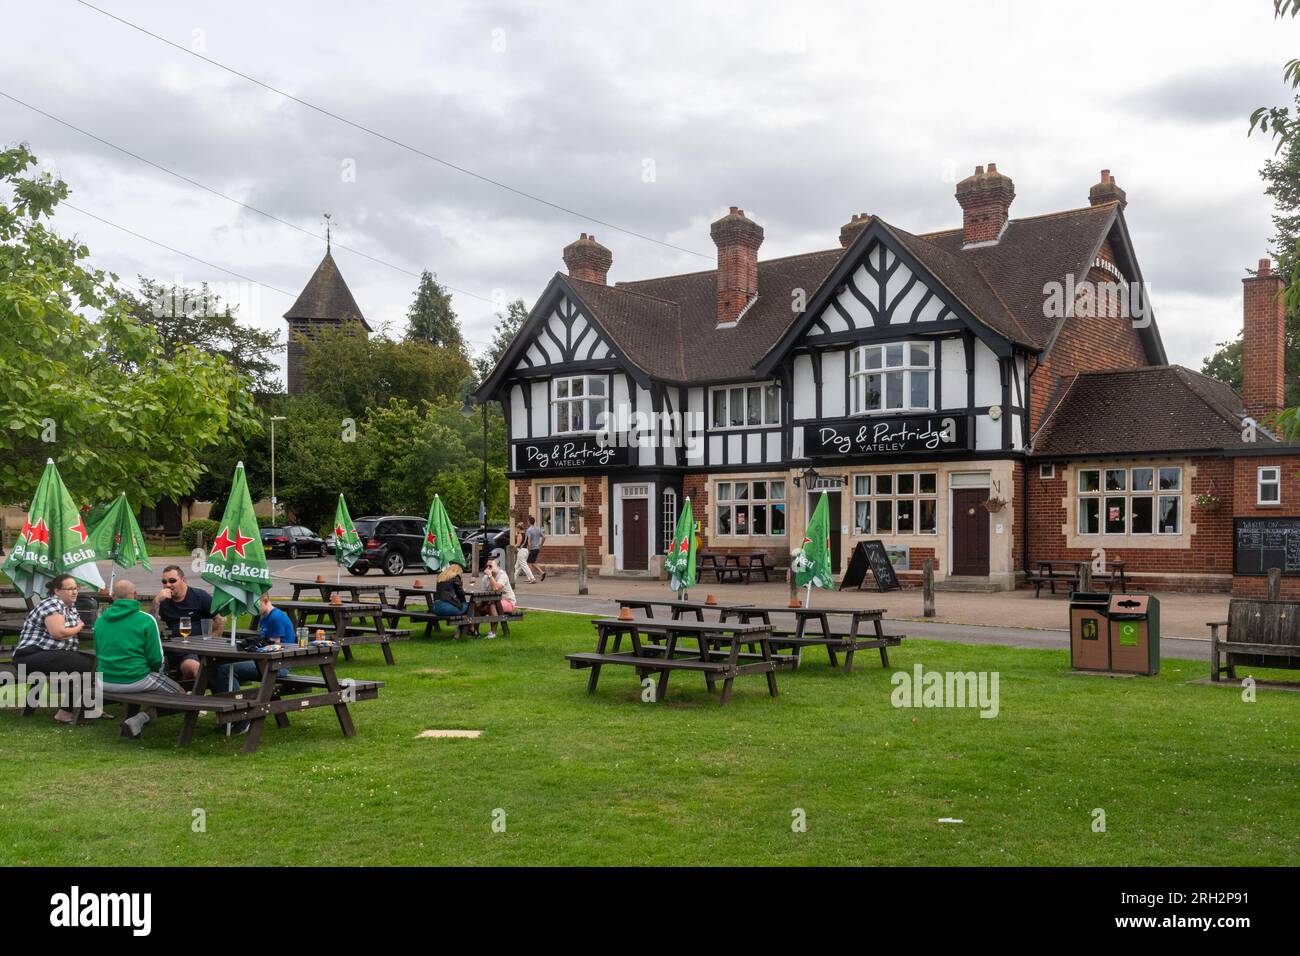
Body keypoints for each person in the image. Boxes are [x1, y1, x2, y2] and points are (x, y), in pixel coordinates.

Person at [94, 580, 187, 738]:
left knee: (149, 684)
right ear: (135, 595)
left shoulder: (100, 620)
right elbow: (157, 658)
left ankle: (133, 720)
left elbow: (98, 651)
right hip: (135, 678)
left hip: (104, 681)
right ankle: (139, 719)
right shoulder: (145, 619)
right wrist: (156, 672)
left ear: (113, 597)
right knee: (182, 695)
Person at [12, 574, 100, 724]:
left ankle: (88, 708)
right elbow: (58, 633)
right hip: (30, 657)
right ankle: (67, 712)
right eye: (70, 589)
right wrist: (78, 627)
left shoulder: (69, 608)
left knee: (87, 664)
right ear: (57, 591)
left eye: (76, 588)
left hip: (49, 655)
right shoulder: (52, 604)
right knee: (90, 664)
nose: (75, 592)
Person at [152, 566, 225, 683]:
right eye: (164, 582)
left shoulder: (199, 596)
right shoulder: (162, 601)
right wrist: (156, 601)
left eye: (172, 581)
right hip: (168, 650)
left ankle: (188, 693)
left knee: (191, 666)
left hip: (193, 651)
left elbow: (220, 620)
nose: (168, 585)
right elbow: (151, 624)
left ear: (184, 580)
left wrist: (211, 641)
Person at [475, 557, 516, 638]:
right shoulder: (485, 578)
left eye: (490, 566)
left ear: (498, 567)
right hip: (492, 601)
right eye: (487, 566)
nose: (487, 568)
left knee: (492, 603)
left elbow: (496, 588)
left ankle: (493, 633)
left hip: (507, 602)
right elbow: (483, 593)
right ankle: (475, 631)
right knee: (476, 605)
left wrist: (490, 576)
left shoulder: (502, 575)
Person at [524, 515, 547, 582]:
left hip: (532, 548)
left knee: (529, 563)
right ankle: (542, 573)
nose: (527, 522)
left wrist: (528, 549)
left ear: (529, 522)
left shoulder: (529, 530)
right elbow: (544, 537)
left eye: (527, 521)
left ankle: (530, 578)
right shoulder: (538, 529)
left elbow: (529, 541)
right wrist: (541, 545)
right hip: (537, 548)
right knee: (532, 562)